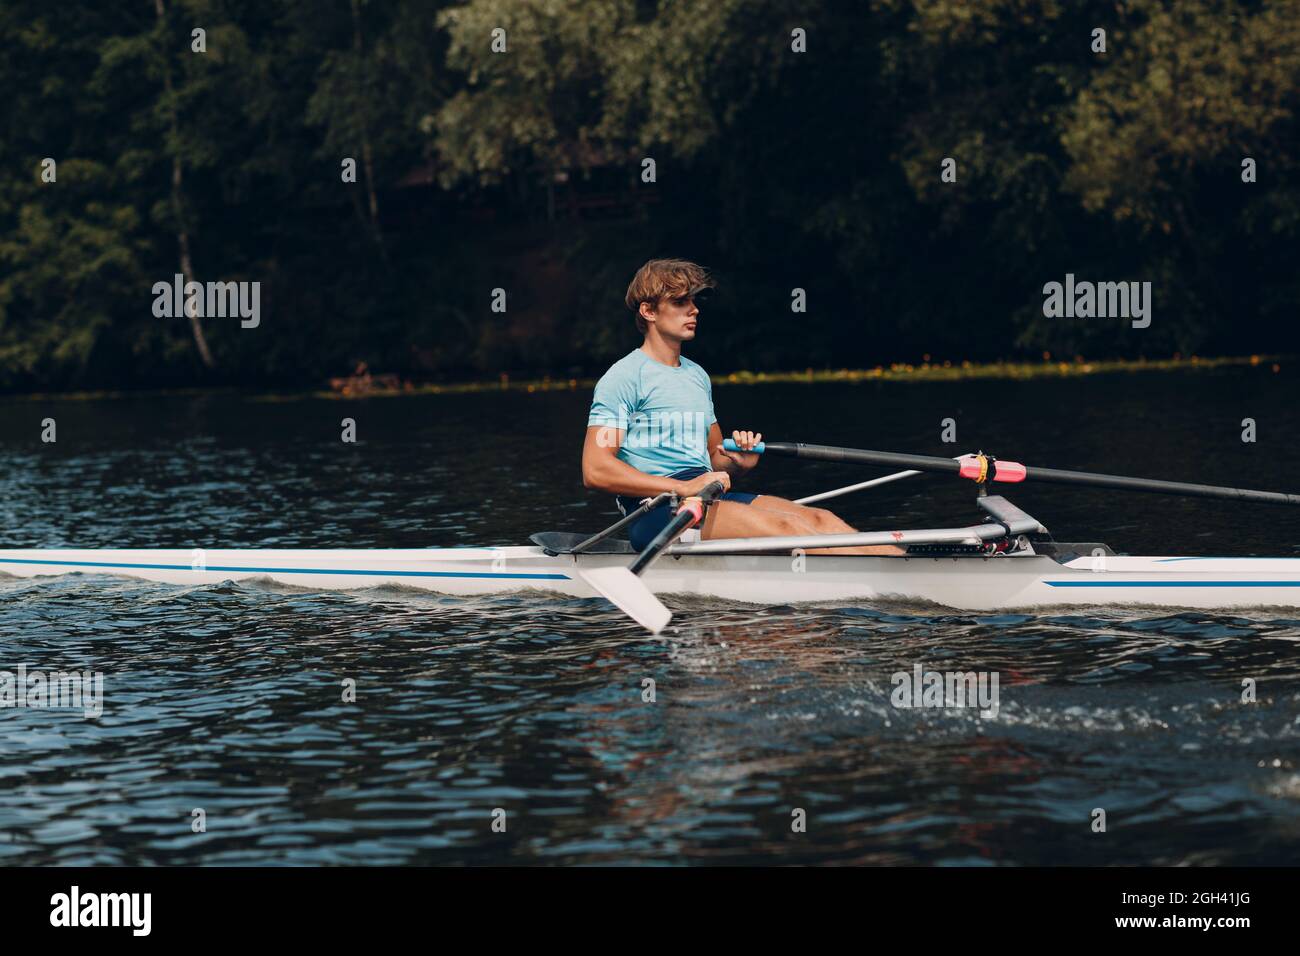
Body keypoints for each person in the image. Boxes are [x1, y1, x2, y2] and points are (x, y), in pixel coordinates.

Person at [581, 258, 902, 555]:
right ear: (649, 311)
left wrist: (737, 462)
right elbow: (595, 469)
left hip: (705, 493)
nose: (694, 310)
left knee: (821, 519)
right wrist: (682, 486)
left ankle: (905, 568)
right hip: (654, 509)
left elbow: (713, 457)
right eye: (680, 302)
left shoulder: (696, 376)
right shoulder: (623, 377)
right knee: (788, 528)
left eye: (693, 301)